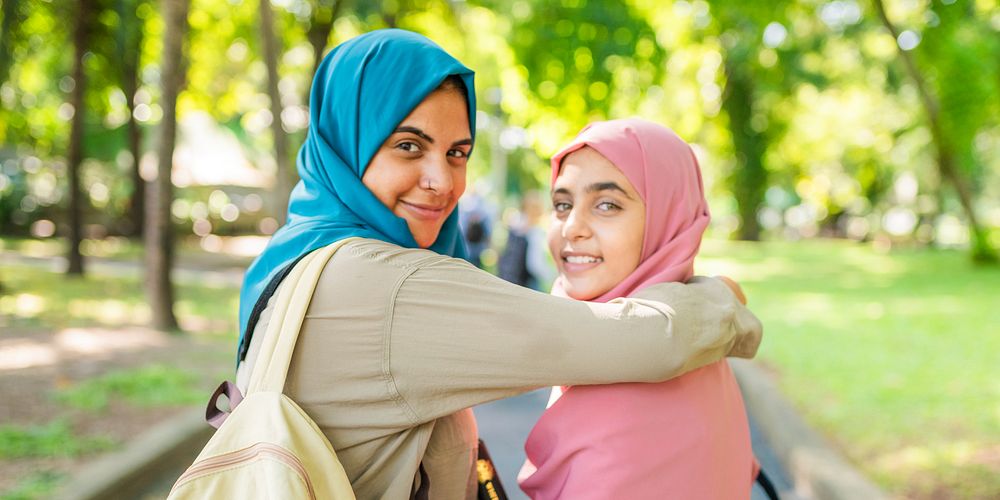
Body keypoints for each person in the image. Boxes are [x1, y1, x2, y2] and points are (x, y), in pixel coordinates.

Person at [234, 30, 762, 500]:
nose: (442, 182)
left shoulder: (300, 256)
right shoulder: (384, 285)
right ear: (344, 143)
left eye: (457, 153)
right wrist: (725, 297)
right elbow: (641, 340)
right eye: (408, 146)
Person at [518, 118, 755, 499]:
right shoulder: (701, 345)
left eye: (607, 205)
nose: (571, 227)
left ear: (669, 217)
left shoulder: (623, 397)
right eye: (562, 205)